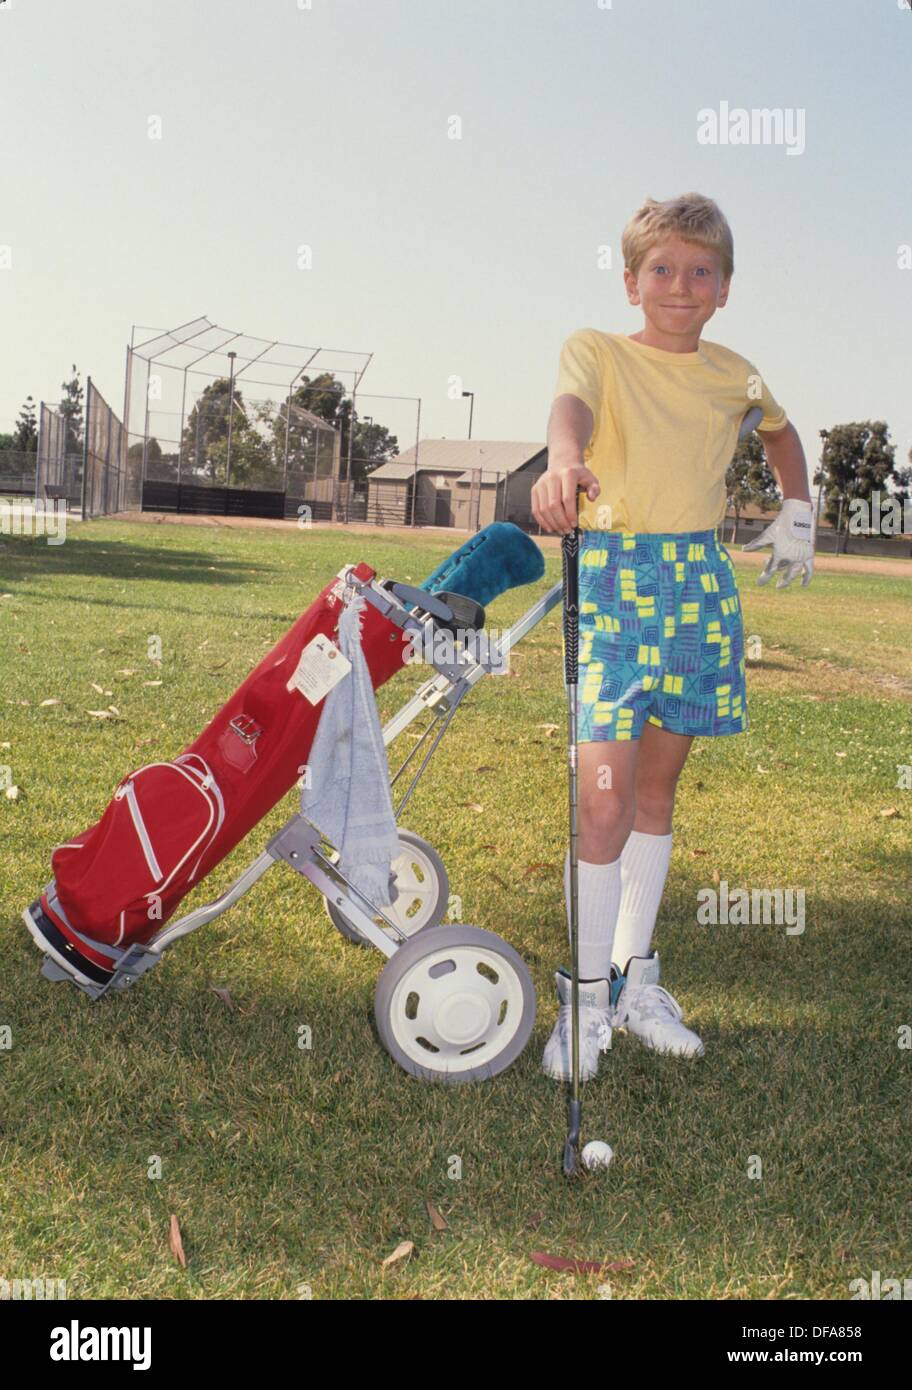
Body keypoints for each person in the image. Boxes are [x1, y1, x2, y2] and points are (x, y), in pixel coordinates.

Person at [532, 192, 815, 1080]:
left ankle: (633, 981)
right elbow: (569, 410)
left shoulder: (738, 373)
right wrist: (562, 461)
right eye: (662, 269)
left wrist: (797, 510)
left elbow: (783, 432)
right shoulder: (599, 350)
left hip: (697, 583)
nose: (681, 285)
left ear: (724, 288)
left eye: (701, 271)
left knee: (654, 796)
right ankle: (581, 1001)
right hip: (614, 580)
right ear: (631, 282)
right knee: (603, 801)